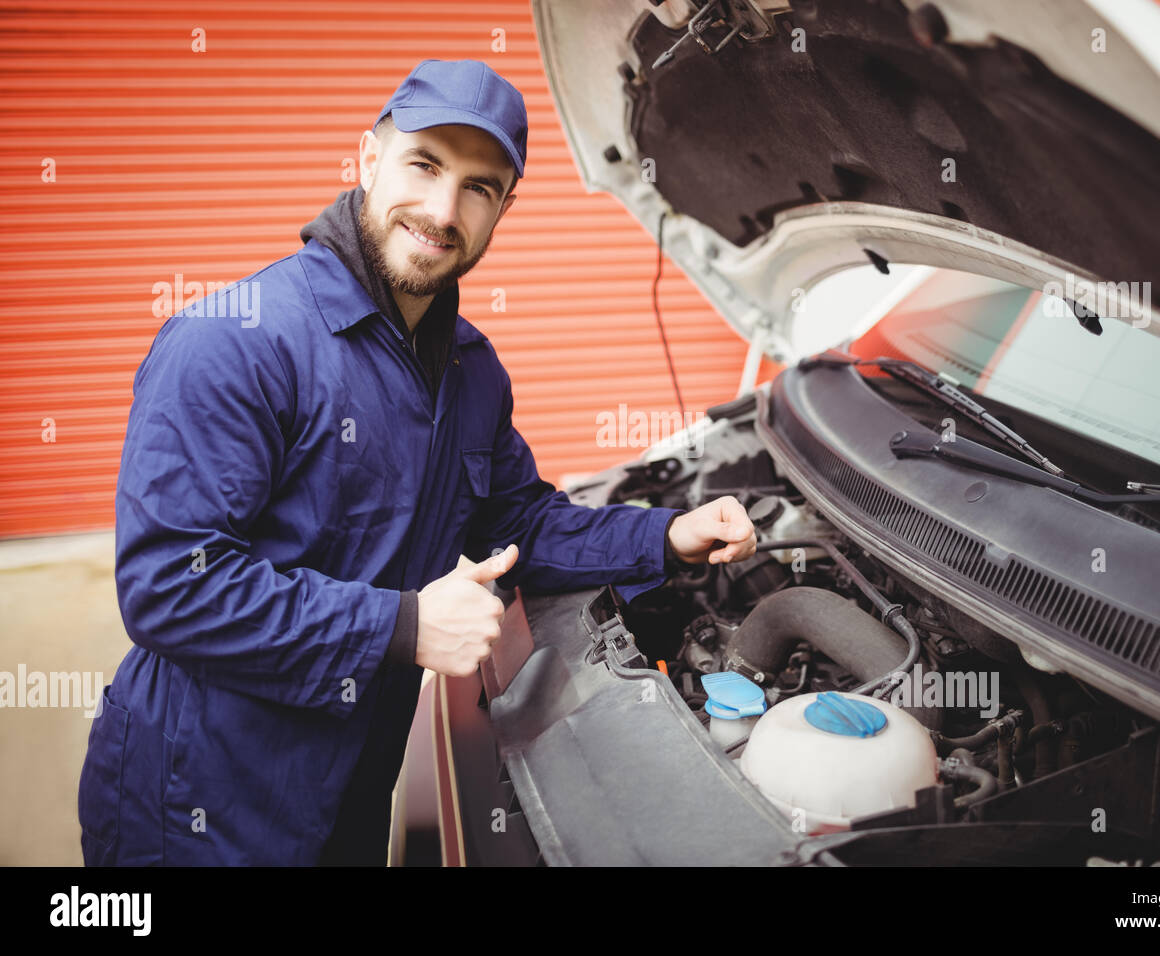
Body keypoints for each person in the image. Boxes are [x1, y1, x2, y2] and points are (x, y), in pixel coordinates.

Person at [78, 58, 757, 866]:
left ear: (504, 208)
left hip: (353, 795)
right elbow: (167, 586)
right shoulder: (236, 342)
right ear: (368, 159)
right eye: (424, 164)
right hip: (199, 804)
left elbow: (520, 525)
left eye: (478, 187)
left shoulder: (471, 370)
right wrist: (403, 626)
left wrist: (666, 535)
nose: (442, 210)